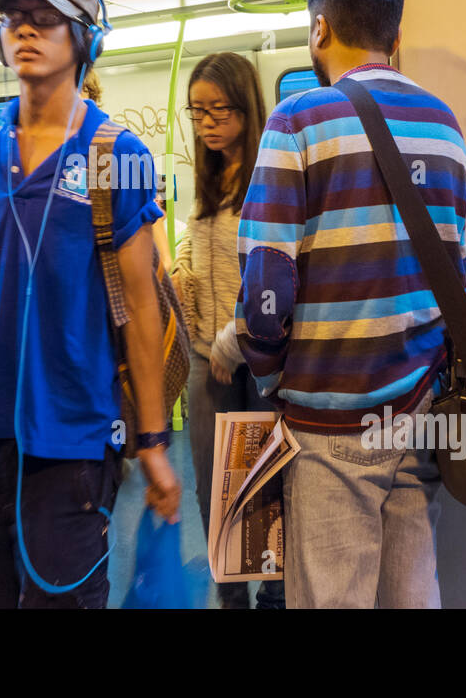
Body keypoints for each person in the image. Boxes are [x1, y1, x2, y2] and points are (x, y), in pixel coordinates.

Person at [236, 0, 466, 608]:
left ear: (319, 30)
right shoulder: (443, 122)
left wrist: (269, 374)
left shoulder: (299, 118)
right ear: (394, 37)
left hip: (329, 416)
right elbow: (454, 269)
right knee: (413, 595)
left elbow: (267, 287)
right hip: (422, 412)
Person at [0, 0, 179, 608]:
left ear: (85, 37)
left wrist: (151, 440)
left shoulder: (120, 157)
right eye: (13, 19)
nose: (24, 31)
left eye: (45, 20)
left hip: (77, 437)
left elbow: (144, 308)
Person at [170, 51, 282, 608]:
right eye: (197, 112)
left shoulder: (271, 176)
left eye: (220, 110)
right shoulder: (210, 176)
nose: (208, 123)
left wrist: (233, 341)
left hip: (256, 357)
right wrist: (181, 258)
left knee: (264, 487)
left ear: (247, 109)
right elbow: (203, 236)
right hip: (203, 356)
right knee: (215, 489)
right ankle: (231, 598)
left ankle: (275, 597)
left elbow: (272, 271)